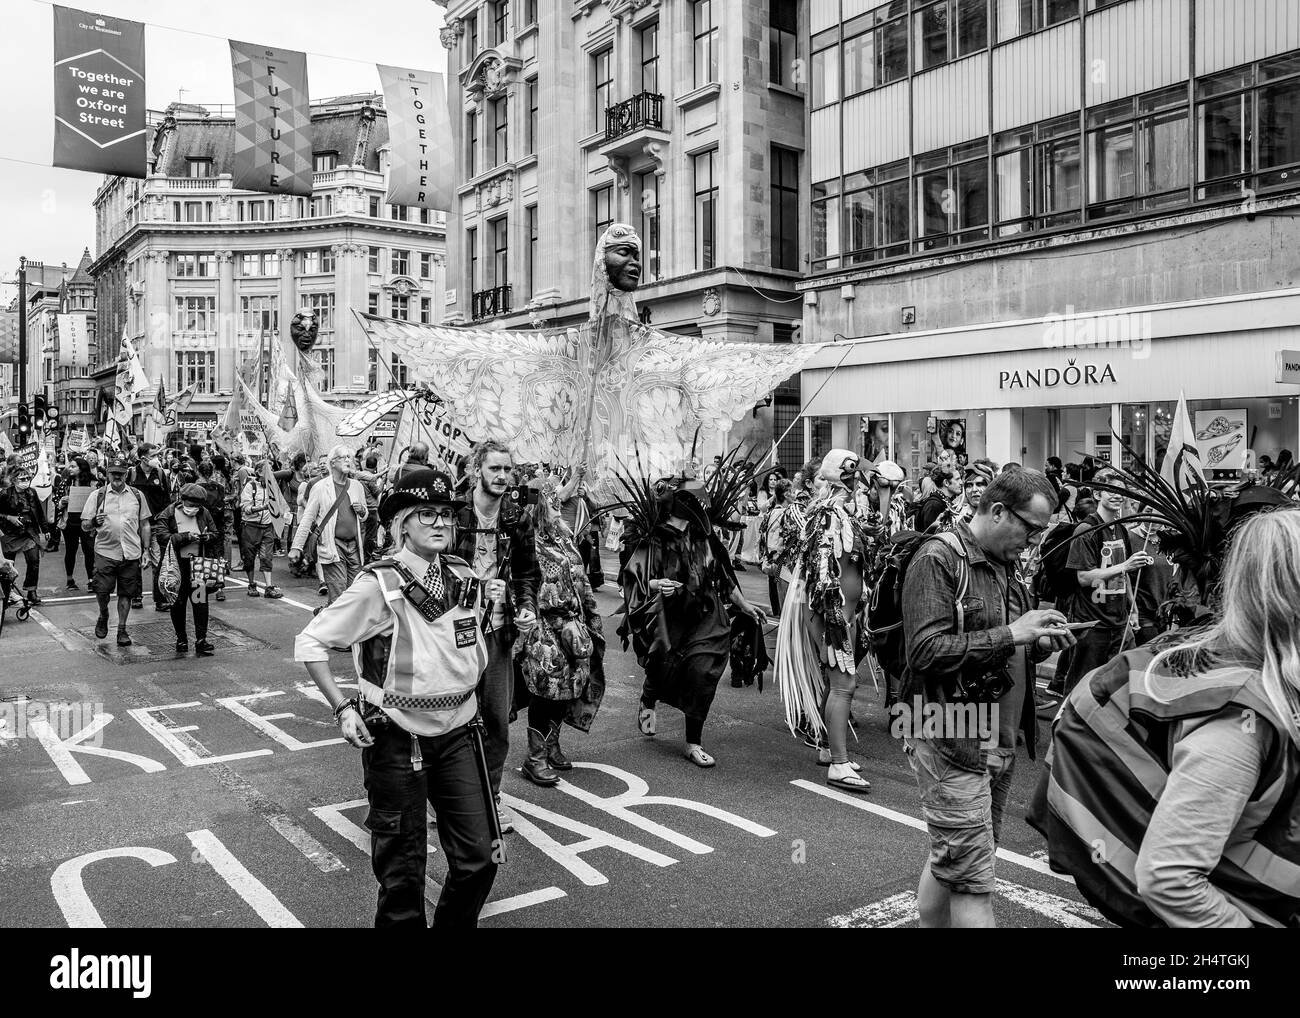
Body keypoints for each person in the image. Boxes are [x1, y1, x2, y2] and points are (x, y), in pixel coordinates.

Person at [294, 467, 498, 927]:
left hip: (462, 734)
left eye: (446, 514)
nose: (441, 523)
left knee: (480, 859)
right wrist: (343, 708)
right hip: (397, 740)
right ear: (402, 523)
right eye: (426, 514)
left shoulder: (465, 575)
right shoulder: (378, 584)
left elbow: (462, 644)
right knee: (403, 877)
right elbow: (311, 643)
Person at [901, 468, 1075, 927]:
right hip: (948, 733)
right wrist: (1011, 633)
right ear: (997, 511)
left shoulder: (1006, 563)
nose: (1035, 541)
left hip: (995, 738)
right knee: (974, 883)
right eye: (1032, 529)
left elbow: (1005, 639)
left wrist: (1035, 639)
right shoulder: (937, 558)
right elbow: (923, 651)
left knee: (959, 858)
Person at [621, 475, 767, 767]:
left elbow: (724, 578)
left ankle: (693, 742)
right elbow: (632, 577)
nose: (698, 506)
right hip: (669, 617)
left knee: (703, 674)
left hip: (705, 614)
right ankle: (648, 699)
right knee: (663, 666)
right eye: (690, 501)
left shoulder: (704, 536)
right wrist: (656, 584)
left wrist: (745, 605)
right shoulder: (654, 536)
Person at [453, 439, 539, 826]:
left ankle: (491, 796)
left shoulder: (517, 517)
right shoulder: (453, 512)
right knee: (450, 718)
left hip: (498, 632)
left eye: (507, 469)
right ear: (477, 471)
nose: (502, 476)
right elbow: (433, 571)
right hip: (453, 631)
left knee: (496, 722)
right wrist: (473, 590)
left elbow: (527, 573)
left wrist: (525, 607)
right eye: (494, 469)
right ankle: (448, 797)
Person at [776, 450, 873, 791]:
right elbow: (821, 575)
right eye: (854, 473)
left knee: (836, 684)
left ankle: (828, 749)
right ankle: (839, 764)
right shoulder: (829, 514)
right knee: (844, 685)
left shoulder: (836, 512)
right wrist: (839, 616)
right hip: (830, 613)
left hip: (836, 611)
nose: (859, 480)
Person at [516, 478, 606, 786]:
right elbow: (525, 583)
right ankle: (534, 756)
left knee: (569, 687)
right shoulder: (529, 539)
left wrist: (591, 618)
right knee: (546, 688)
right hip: (544, 626)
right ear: (540, 507)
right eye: (553, 503)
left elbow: (582, 581)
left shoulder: (564, 537)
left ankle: (552, 744)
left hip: (572, 627)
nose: (558, 507)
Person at [1061, 468, 1153, 695]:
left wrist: (1132, 609)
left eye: (1120, 491)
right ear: (1097, 494)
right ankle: (1066, 725)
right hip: (1092, 623)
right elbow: (1083, 577)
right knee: (1081, 685)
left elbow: (1126, 575)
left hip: (1119, 622)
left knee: (1115, 685)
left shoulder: (1121, 529)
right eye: (1109, 490)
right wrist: (1124, 566)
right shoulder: (1087, 529)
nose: (1116, 495)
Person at [82, 455, 150, 646]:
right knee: (102, 590)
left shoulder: (137, 495)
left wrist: (146, 550)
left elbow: (145, 524)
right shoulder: (98, 496)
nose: (117, 477)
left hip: (131, 552)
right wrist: (95, 521)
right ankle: (103, 614)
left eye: (120, 473)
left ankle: (122, 629)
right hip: (105, 551)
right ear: (108, 474)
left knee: (126, 593)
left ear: (126, 474)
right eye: (113, 473)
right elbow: (85, 526)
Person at [291, 445, 369, 606]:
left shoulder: (357, 486)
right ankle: (336, 626)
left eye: (350, 457)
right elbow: (307, 518)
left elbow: (364, 516)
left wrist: (362, 511)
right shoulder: (320, 487)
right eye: (343, 457)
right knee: (339, 596)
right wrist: (297, 547)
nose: (348, 460)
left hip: (354, 546)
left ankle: (331, 619)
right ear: (332, 463)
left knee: (355, 594)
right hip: (333, 545)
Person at [154, 483, 218, 656]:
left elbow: (215, 532)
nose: (195, 509)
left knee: (200, 603)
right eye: (192, 505)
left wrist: (208, 537)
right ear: (182, 500)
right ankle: (181, 639)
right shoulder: (168, 513)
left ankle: (201, 640)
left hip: (198, 566)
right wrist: (184, 537)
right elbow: (161, 536)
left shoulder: (204, 512)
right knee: (177, 603)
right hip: (177, 566)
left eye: (198, 506)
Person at [129, 447, 174, 612]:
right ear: (143, 458)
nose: (157, 458)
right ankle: (136, 596)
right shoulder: (131, 473)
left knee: (159, 563)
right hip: (135, 525)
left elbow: (167, 500)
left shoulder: (161, 474)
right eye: (153, 455)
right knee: (135, 561)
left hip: (155, 525)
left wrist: (167, 522)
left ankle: (160, 599)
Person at [240, 459, 284, 599]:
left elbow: (279, 505)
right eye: (267, 470)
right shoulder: (250, 486)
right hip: (250, 527)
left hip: (267, 527)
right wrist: (261, 508)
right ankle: (252, 585)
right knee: (249, 557)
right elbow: (244, 508)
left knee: (267, 557)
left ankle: (269, 587)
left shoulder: (273, 486)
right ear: (259, 472)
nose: (271, 473)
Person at [0, 467, 45, 605]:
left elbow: (39, 512)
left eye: (27, 478)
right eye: (22, 479)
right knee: (6, 566)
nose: (26, 481)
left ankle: (32, 591)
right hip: (9, 535)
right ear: (14, 481)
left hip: (28, 533)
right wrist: (9, 517)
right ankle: (6, 592)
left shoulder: (32, 492)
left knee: (34, 560)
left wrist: (45, 529)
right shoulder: (4, 494)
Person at [58, 458, 96, 590]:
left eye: (73, 466)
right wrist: (62, 502)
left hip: (87, 521)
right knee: (70, 550)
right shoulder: (65, 483)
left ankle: (91, 580)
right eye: (70, 466)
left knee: (89, 550)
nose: (70, 468)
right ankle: (70, 580)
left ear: (81, 468)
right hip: (70, 522)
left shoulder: (94, 482)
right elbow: (57, 503)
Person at [913, 463, 961, 533]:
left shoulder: (944, 501)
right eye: (957, 479)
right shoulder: (934, 505)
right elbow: (930, 537)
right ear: (946, 483)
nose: (961, 482)